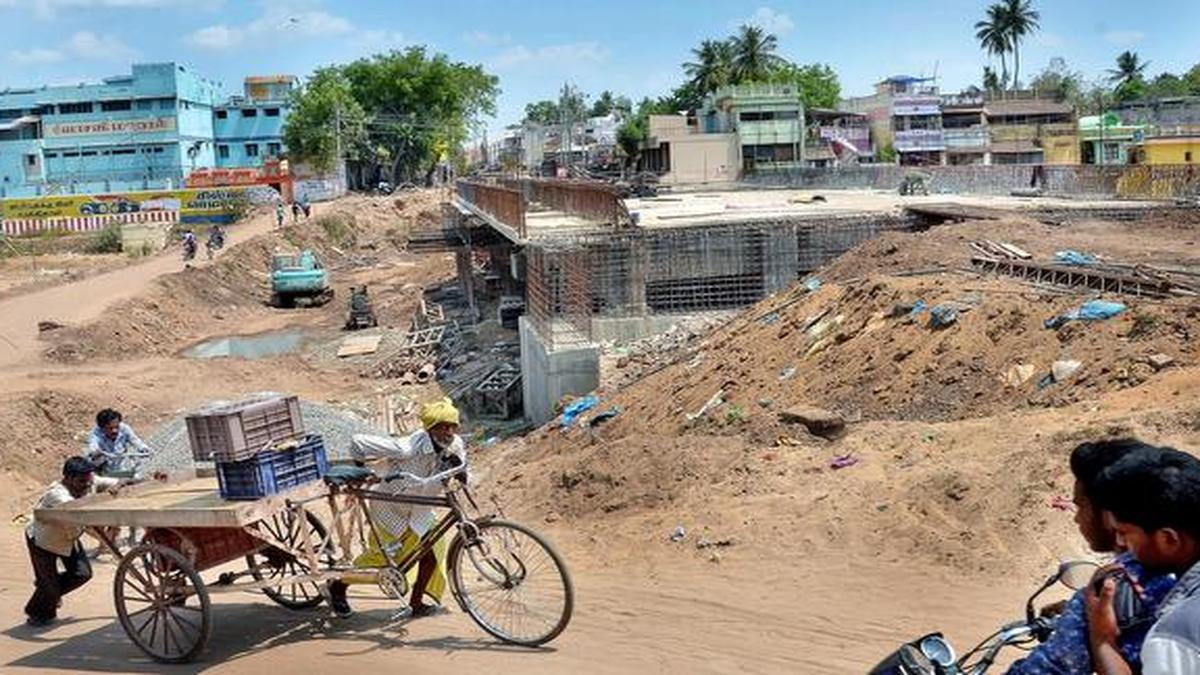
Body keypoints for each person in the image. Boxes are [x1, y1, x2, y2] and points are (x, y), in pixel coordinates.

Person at [1007, 439, 1177, 674]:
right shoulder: (1184, 564)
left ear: (1109, 515)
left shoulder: (1108, 587)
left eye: (1080, 507)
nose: (1077, 519)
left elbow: (1053, 667)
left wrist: (1084, 614)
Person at [327, 397, 467, 618]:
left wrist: (460, 470)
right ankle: (338, 585)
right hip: (390, 508)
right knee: (381, 560)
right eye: (442, 427)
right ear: (430, 429)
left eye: (452, 426)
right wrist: (361, 470)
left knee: (432, 553)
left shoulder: (455, 443)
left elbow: (461, 463)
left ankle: (416, 603)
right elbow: (358, 442)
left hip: (421, 507)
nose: (448, 432)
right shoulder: (407, 447)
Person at [1086, 445, 1200, 675]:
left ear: (1168, 539)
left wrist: (1104, 642)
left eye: (1125, 532)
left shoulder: (1176, 637)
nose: (1119, 542)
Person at [24, 457, 122, 627]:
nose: (87, 485)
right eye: (82, 481)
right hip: (43, 540)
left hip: (69, 536)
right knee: (50, 589)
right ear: (68, 478)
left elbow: (121, 481)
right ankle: (37, 610)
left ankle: (46, 590)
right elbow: (79, 512)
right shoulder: (56, 494)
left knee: (82, 574)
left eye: (89, 480)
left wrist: (119, 485)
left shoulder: (90, 481)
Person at [86, 409, 150, 478]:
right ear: (102, 428)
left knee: (136, 478)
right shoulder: (96, 434)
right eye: (110, 428)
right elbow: (93, 445)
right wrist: (95, 452)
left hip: (120, 466)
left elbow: (135, 441)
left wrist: (144, 449)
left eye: (117, 427)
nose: (114, 431)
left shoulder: (124, 428)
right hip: (103, 468)